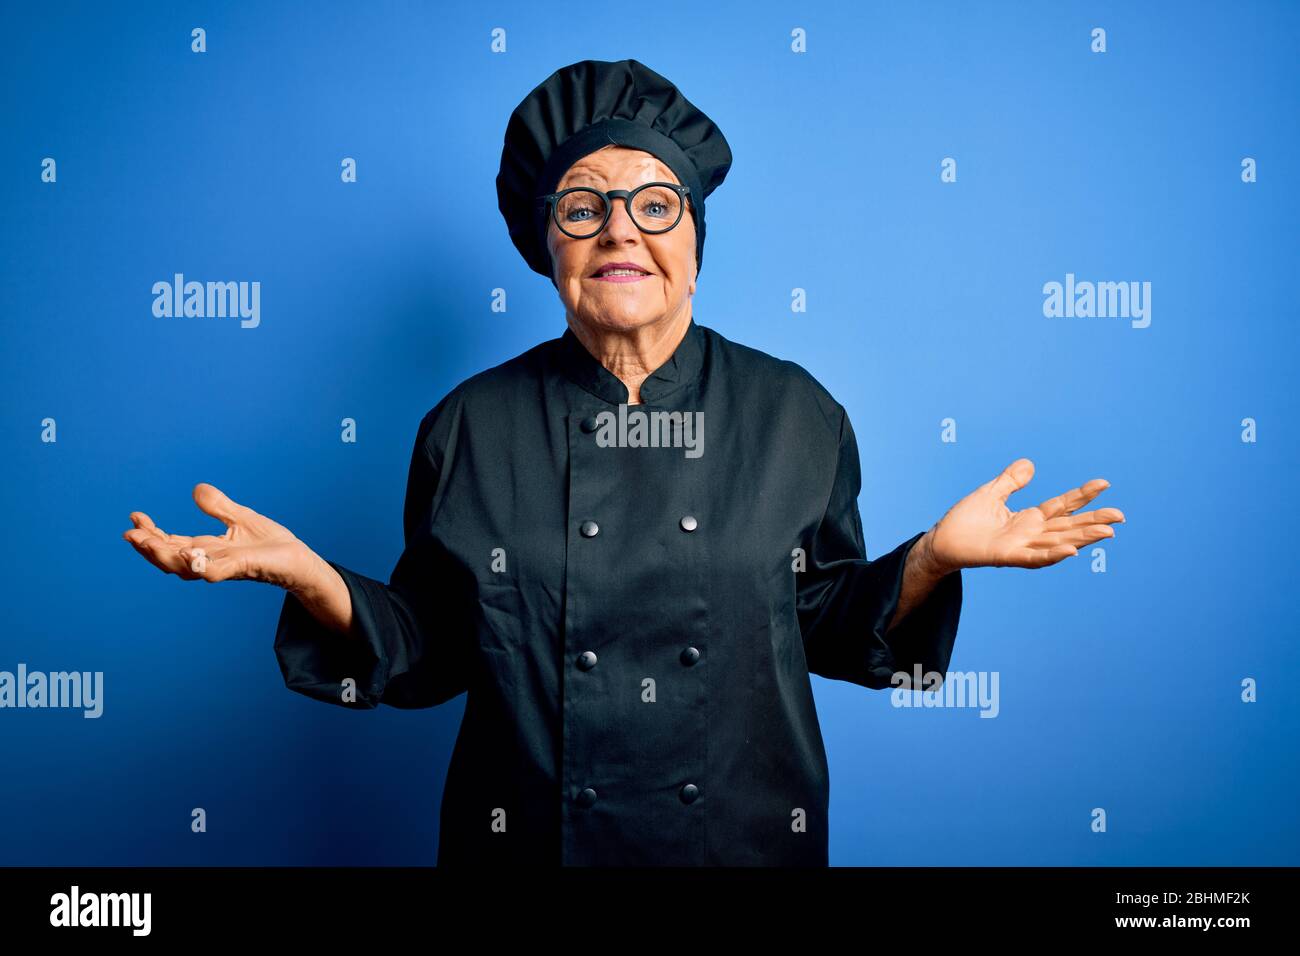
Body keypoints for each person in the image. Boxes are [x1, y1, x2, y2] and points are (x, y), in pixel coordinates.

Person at [122, 58, 1125, 866]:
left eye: (655, 203)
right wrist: (312, 574)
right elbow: (429, 649)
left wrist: (932, 560)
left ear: (693, 238)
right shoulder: (467, 424)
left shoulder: (794, 411)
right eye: (582, 207)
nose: (619, 231)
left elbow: (820, 625)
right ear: (544, 245)